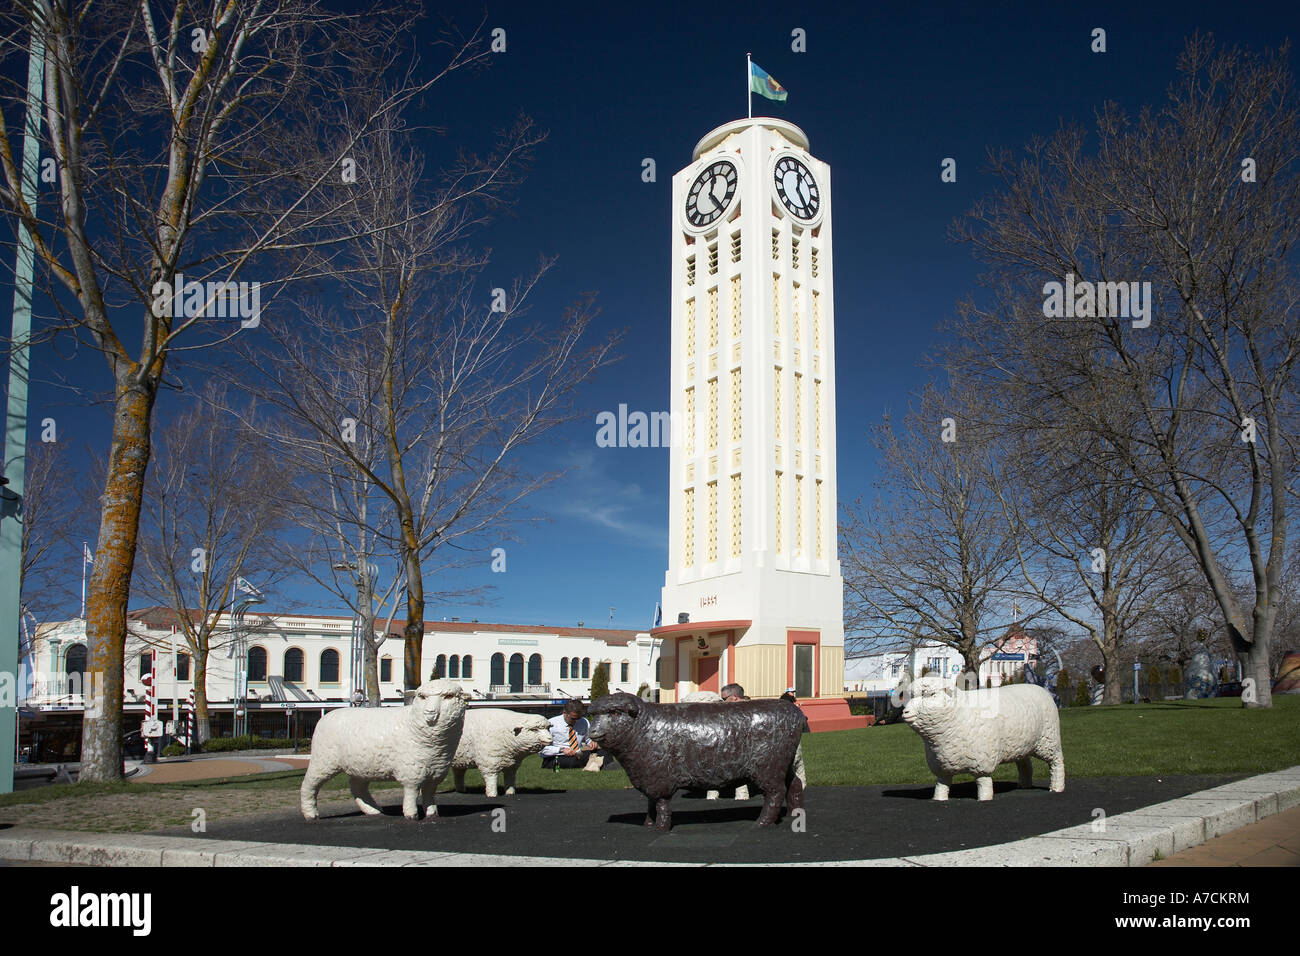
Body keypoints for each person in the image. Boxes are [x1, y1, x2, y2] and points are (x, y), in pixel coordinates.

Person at [541, 699, 599, 769]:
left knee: (603, 753)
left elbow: (588, 739)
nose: (577, 721)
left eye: (579, 718)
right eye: (573, 718)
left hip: (578, 754)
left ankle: (610, 767)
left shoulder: (584, 722)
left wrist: (592, 742)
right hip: (557, 756)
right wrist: (561, 750)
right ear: (565, 713)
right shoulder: (551, 724)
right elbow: (542, 749)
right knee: (572, 761)